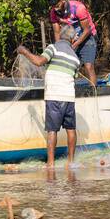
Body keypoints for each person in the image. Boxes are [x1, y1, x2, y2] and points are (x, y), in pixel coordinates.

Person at [16, 32, 80, 170]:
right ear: (71, 39)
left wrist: (24, 51)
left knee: (52, 130)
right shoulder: (75, 57)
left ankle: (50, 164)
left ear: (60, 36)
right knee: (71, 129)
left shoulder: (53, 48)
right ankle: (71, 162)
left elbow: (39, 62)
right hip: (69, 97)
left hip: (54, 96)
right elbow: (72, 76)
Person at [47, 0, 98, 86]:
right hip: (71, 38)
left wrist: (75, 44)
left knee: (88, 66)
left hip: (88, 37)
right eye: (54, 7)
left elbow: (87, 30)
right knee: (66, 66)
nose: (56, 9)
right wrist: (59, 49)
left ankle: (93, 93)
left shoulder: (78, 8)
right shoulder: (54, 12)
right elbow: (57, 32)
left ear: (62, 0)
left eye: (57, 6)